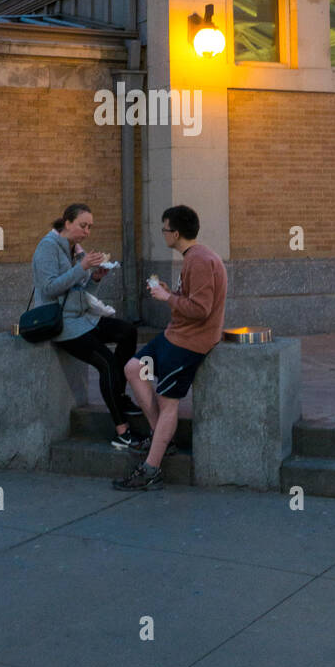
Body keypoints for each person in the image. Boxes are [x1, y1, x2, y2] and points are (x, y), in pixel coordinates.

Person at [113, 204, 227, 491]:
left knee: (168, 401)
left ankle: (151, 469)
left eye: (164, 229)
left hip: (190, 343)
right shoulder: (193, 258)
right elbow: (190, 300)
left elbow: (201, 310)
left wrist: (166, 298)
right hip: (173, 336)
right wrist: (172, 292)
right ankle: (162, 437)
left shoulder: (199, 261)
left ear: (175, 233)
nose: (163, 234)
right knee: (133, 367)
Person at [31, 202, 146, 450]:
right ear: (67, 223)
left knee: (128, 332)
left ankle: (121, 396)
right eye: (83, 226)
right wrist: (81, 267)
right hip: (63, 325)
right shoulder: (47, 248)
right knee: (107, 363)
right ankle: (122, 432)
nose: (87, 231)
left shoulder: (74, 249)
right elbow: (49, 288)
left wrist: (94, 278)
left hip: (83, 318)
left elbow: (80, 290)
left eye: (90, 227)